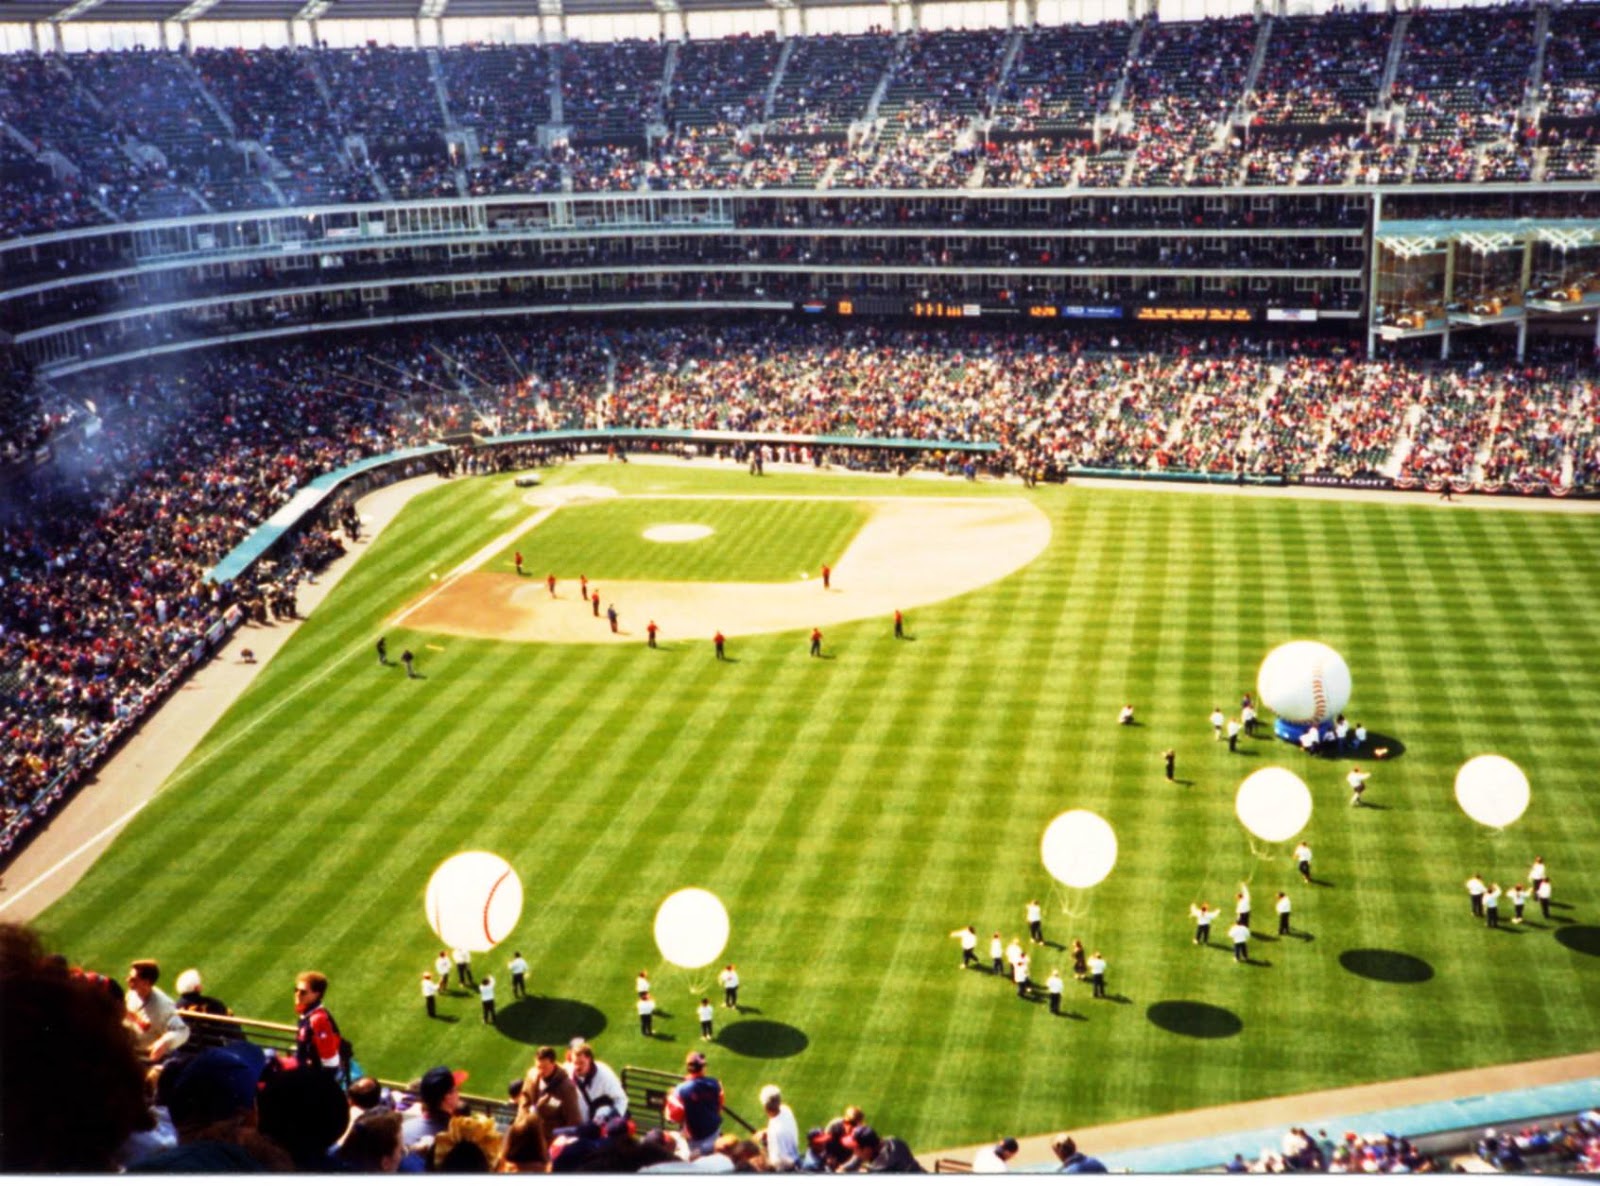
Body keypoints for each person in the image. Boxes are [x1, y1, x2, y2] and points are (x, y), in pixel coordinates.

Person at [125, 959, 190, 1062]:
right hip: (133, 1054)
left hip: (153, 1060)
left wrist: (165, 1042)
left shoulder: (163, 1006)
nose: (128, 980)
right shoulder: (132, 994)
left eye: (133, 979)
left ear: (146, 982)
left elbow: (182, 1031)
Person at [664, 1051, 724, 1158]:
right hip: (714, 1133)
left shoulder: (679, 1090)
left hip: (694, 1141)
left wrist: (670, 1098)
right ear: (703, 1068)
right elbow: (719, 1106)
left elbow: (673, 1117)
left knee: (697, 1163)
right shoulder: (716, 1084)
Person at [401, 1066, 466, 1149]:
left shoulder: (403, 1129)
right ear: (448, 1096)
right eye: (457, 1089)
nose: (458, 1094)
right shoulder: (460, 1136)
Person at [293, 971, 344, 1077]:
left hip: (314, 1075)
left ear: (316, 994)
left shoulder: (318, 1020)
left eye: (303, 992)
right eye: (296, 990)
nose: (297, 994)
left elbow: (330, 1061)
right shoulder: (307, 1013)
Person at [526, 1046, 582, 1140]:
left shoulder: (566, 1088)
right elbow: (524, 1102)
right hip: (533, 1136)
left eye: (545, 1067)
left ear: (553, 1064)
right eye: (538, 1067)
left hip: (553, 1140)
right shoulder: (532, 1077)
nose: (541, 1071)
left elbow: (574, 1120)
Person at [571, 1044, 628, 1125]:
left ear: (590, 1060)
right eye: (575, 1063)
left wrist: (609, 1119)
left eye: (581, 1063)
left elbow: (621, 1100)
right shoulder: (568, 1072)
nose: (577, 1067)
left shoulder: (604, 1075)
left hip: (600, 1124)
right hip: (579, 1123)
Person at [839, 1125, 920, 1173]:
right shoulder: (895, 1143)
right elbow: (865, 1154)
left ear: (867, 1150)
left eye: (855, 1149)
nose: (853, 1152)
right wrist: (846, 1168)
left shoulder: (881, 1171)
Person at [757, 1085, 800, 1172]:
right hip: (795, 1159)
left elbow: (777, 1163)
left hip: (787, 1169)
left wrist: (763, 1150)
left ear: (765, 1107)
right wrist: (767, 1132)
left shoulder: (776, 1133)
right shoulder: (786, 1110)